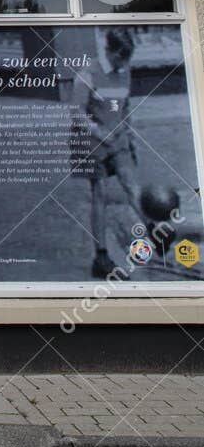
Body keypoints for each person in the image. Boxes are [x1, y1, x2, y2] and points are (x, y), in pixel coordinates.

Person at [71, 28, 138, 278]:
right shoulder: (87, 75)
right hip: (90, 142)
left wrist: (131, 136)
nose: (124, 62)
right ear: (109, 51)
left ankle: (156, 237)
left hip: (117, 138)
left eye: (128, 57)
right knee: (100, 193)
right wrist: (99, 133)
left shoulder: (125, 71)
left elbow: (125, 107)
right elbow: (76, 114)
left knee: (132, 185)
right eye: (121, 57)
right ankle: (101, 257)